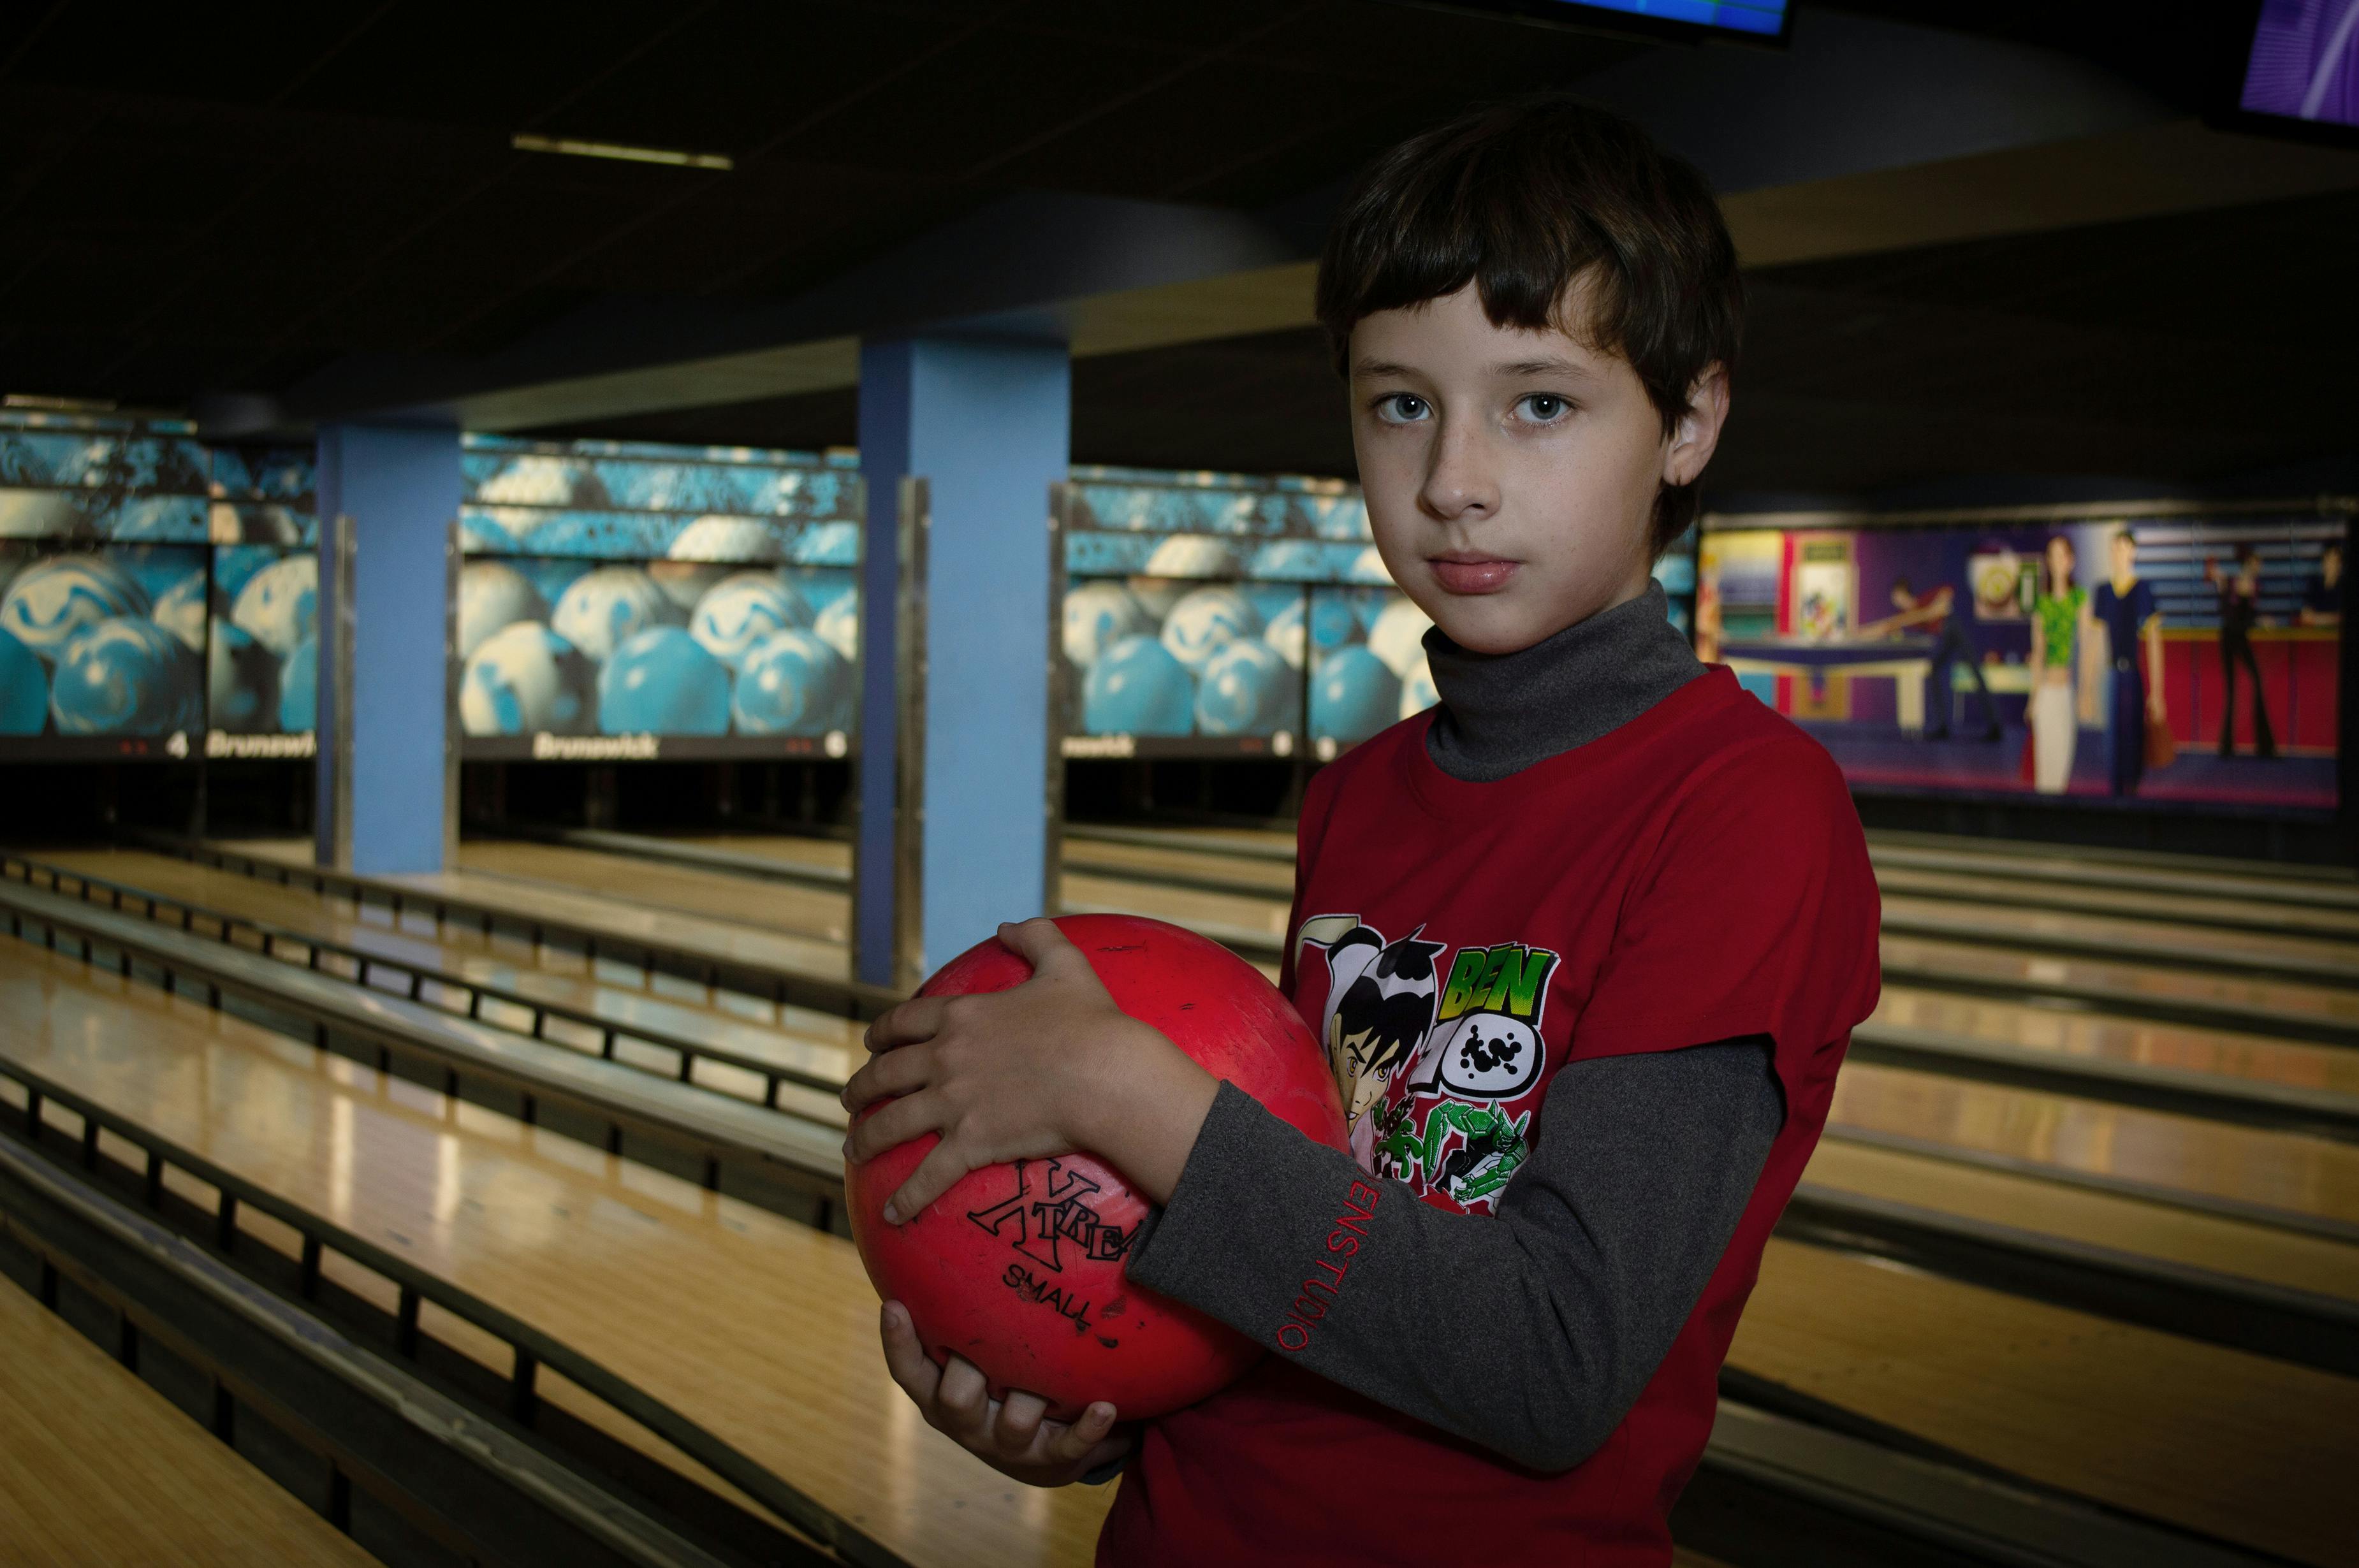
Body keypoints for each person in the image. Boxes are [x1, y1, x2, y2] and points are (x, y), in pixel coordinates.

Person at [842, 97, 1882, 1566]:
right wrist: (1095, 1388)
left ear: (1690, 421)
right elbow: (1325, 1237)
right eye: (1400, 401)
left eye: (1537, 403)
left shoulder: (1744, 809)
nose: (1451, 475)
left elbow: (1550, 1360)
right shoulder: (1361, 790)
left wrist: (1122, 1094)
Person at [2089, 528, 2167, 797]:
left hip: (2133, 674)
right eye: (2114, 549)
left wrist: (2157, 693)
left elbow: (2155, 644)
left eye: (2123, 548)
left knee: (2133, 738)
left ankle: (2132, 793)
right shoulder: (2102, 591)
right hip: (2110, 674)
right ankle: (2114, 795)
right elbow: (2096, 643)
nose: (2118, 554)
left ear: (2133, 551)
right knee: (2111, 744)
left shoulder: (2142, 589)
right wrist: (2088, 686)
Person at [1879, 576, 1997, 741]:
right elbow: (1894, 625)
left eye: (1898, 598)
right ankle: (1942, 726)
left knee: (1975, 673)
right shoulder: (1910, 615)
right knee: (1934, 672)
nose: (1897, 602)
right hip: (1945, 635)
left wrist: (1934, 609)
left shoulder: (1923, 601)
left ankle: (1995, 726)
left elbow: (1947, 590)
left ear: (1903, 594)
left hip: (1953, 628)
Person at [2025, 534, 2092, 794]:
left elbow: (2087, 648)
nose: (2056, 561)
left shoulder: (2080, 599)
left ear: (2071, 561)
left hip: (2067, 692)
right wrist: (2034, 697)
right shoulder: (2042, 604)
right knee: (2045, 769)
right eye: (2051, 555)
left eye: (2061, 555)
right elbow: (2038, 653)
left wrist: (2086, 692)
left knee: (2063, 764)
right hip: (2046, 694)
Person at [2205, 546, 2277, 759]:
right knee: (2232, 691)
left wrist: (2259, 620)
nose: (2258, 567)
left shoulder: (2255, 586)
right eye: (2256, 563)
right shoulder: (2232, 582)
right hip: (2228, 638)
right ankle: (2226, 747)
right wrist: (2220, 584)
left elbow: (2248, 616)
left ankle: (2265, 746)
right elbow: (2227, 612)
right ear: (2248, 564)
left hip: (2241, 638)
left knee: (2256, 682)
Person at [2300, 542, 2342, 628]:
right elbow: (2306, 618)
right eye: (2327, 560)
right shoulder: (2315, 585)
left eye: (2335, 561)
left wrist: (2318, 619)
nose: (2330, 565)